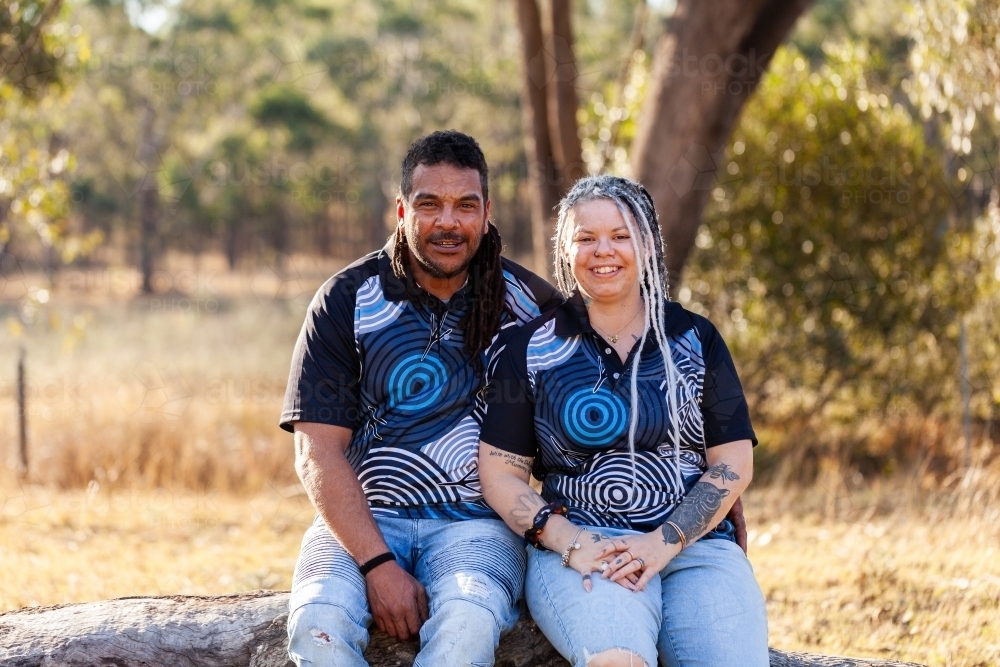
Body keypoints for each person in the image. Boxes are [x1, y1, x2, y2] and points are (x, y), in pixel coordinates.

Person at [280, 130, 562, 667]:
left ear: (486, 213)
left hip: (479, 524)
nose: (448, 222)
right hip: (364, 518)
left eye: (465, 206)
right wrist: (377, 564)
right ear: (402, 209)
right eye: (430, 205)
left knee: (465, 627)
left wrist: (708, 474)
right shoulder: (347, 299)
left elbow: (625, 381)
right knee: (317, 625)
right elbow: (316, 451)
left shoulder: (532, 305)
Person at [478, 174, 769, 667]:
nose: (602, 251)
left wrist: (664, 542)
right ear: (566, 250)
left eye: (620, 235)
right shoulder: (530, 349)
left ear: (649, 243)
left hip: (696, 551)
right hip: (586, 548)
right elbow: (500, 473)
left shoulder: (695, 339)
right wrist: (568, 541)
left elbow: (733, 462)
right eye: (585, 238)